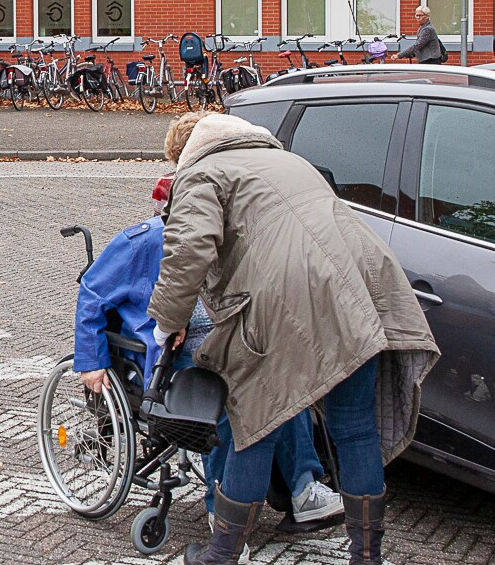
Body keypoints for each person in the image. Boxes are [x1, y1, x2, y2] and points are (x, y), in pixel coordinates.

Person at [147, 110, 438, 565]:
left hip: (285, 300)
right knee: (355, 426)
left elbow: (190, 246)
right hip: (357, 289)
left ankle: (221, 559)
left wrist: (169, 321)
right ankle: (368, 564)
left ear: (186, 152)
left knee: (255, 420)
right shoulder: (287, 160)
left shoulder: (203, 171)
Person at [73, 176, 343, 531]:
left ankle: (303, 487)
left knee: (282, 384)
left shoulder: (232, 242)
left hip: (227, 342)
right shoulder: (143, 242)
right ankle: (224, 513)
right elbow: (93, 291)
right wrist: (92, 362)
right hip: (168, 354)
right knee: (225, 398)